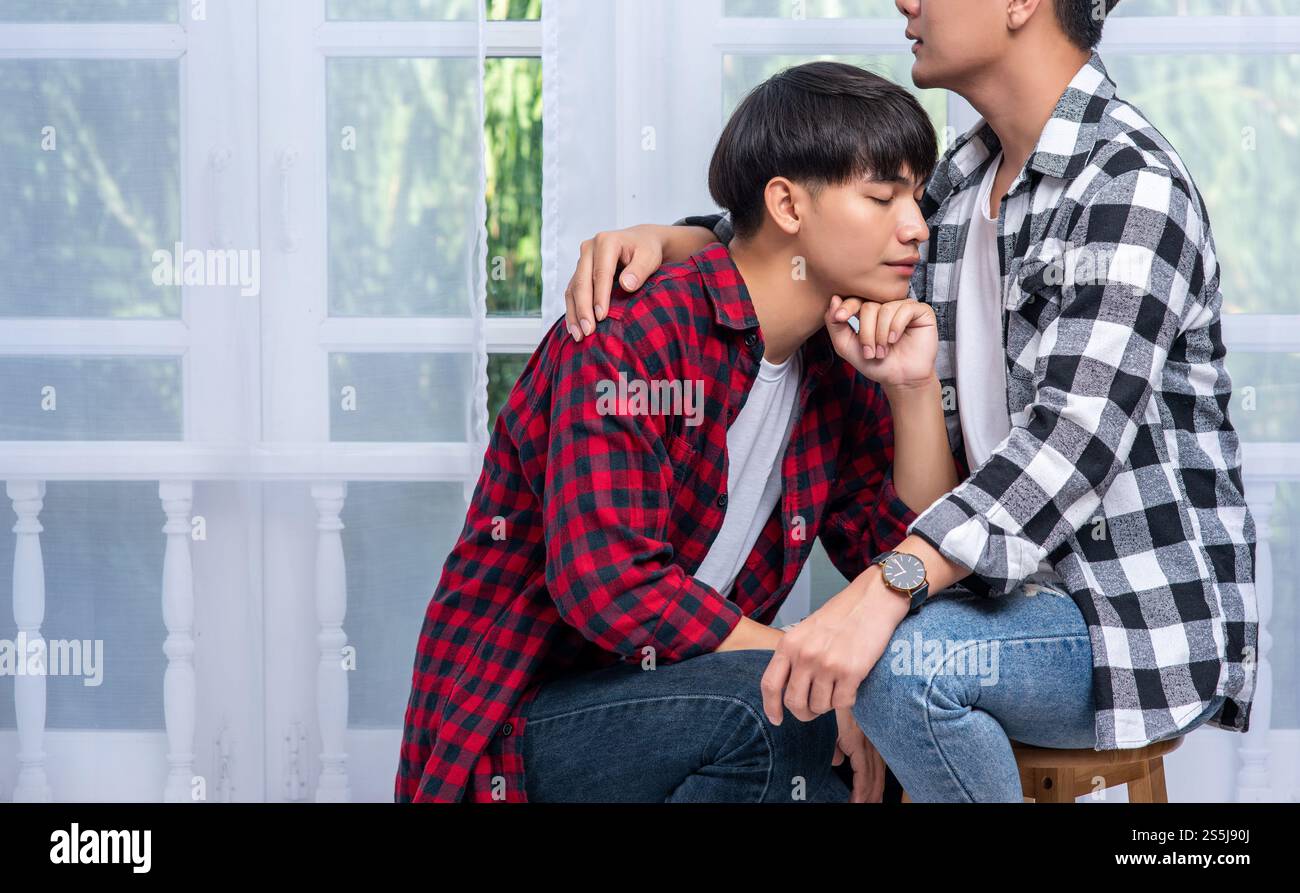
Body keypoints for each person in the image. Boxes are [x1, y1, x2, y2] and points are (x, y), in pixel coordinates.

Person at [562, 0, 1257, 802]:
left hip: (1121, 616)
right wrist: (672, 238)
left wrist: (884, 589)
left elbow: (1065, 449)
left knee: (903, 667)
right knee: (841, 707)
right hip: (990, 596)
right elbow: (794, 237)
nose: (906, 2)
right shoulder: (959, 185)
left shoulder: (1129, 188)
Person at [396, 61, 959, 802]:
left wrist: (913, 390)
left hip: (675, 708)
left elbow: (906, 558)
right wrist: (814, 665)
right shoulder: (635, 333)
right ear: (787, 204)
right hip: (519, 725)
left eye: (917, 196)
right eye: (883, 197)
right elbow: (608, 582)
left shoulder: (834, 367)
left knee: (873, 748)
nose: (916, 226)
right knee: (773, 713)